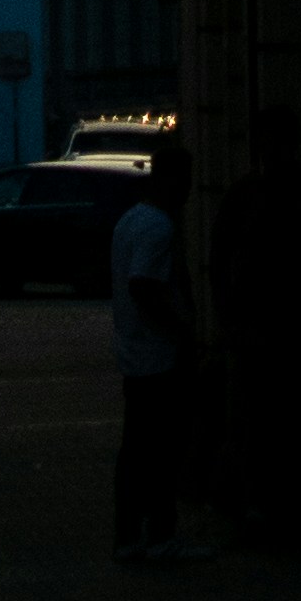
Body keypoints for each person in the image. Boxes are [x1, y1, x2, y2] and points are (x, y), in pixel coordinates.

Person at [210, 101, 301, 547]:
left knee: (283, 424)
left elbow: (222, 260)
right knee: (265, 424)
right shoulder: (258, 195)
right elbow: (221, 261)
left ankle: (279, 507)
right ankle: (267, 507)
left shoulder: (282, 194)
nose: (270, 152)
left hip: (290, 331)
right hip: (267, 332)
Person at [107, 148, 208, 562]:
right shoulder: (159, 228)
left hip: (134, 353)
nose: (188, 189)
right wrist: (181, 329)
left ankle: (130, 536)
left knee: (136, 449)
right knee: (164, 449)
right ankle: (161, 535)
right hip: (159, 357)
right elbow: (143, 286)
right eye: (184, 180)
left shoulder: (129, 221)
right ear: (171, 180)